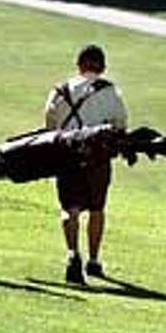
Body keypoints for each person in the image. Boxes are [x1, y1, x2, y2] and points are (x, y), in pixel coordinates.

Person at [44, 44, 127, 284]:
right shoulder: (109, 92)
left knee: (69, 208)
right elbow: (120, 123)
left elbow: (50, 123)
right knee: (97, 209)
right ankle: (93, 260)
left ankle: (72, 253)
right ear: (102, 67)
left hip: (67, 155)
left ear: (78, 65)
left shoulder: (60, 90)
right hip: (97, 158)